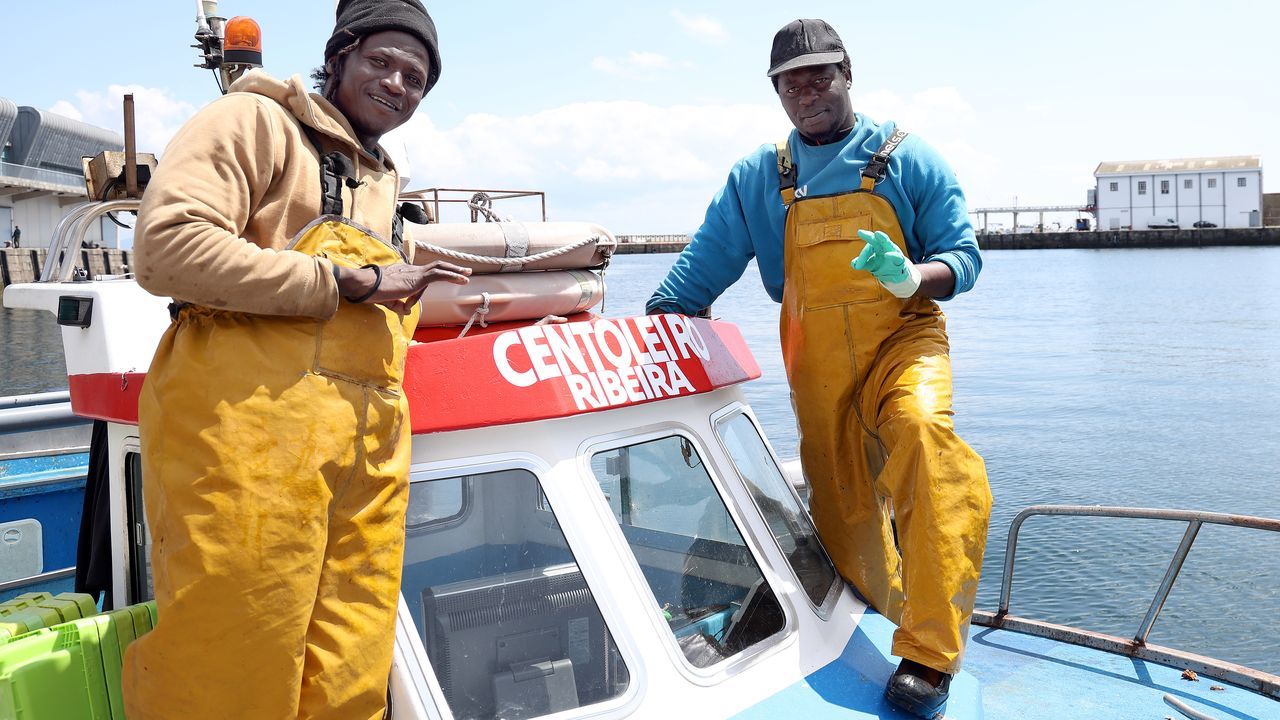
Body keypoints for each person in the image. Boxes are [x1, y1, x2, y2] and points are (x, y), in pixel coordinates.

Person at [123, 1, 470, 718]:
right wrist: (351, 280)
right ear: (338, 55)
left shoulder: (379, 177)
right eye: (381, 62)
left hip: (361, 463)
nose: (398, 84)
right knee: (229, 669)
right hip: (245, 446)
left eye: (416, 77)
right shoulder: (251, 122)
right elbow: (165, 250)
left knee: (350, 668)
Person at [647, 18, 991, 718]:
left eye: (820, 77)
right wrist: (648, 335)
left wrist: (912, 276)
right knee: (843, 519)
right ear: (777, 92)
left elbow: (964, 258)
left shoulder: (906, 158)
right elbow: (691, 282)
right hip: (817, 368)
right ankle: (880, 609)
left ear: (848, 75)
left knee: (926, 444)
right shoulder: (758, 177)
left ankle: (929, 653)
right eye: (791, 82)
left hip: (905, 343)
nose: (807, 93)